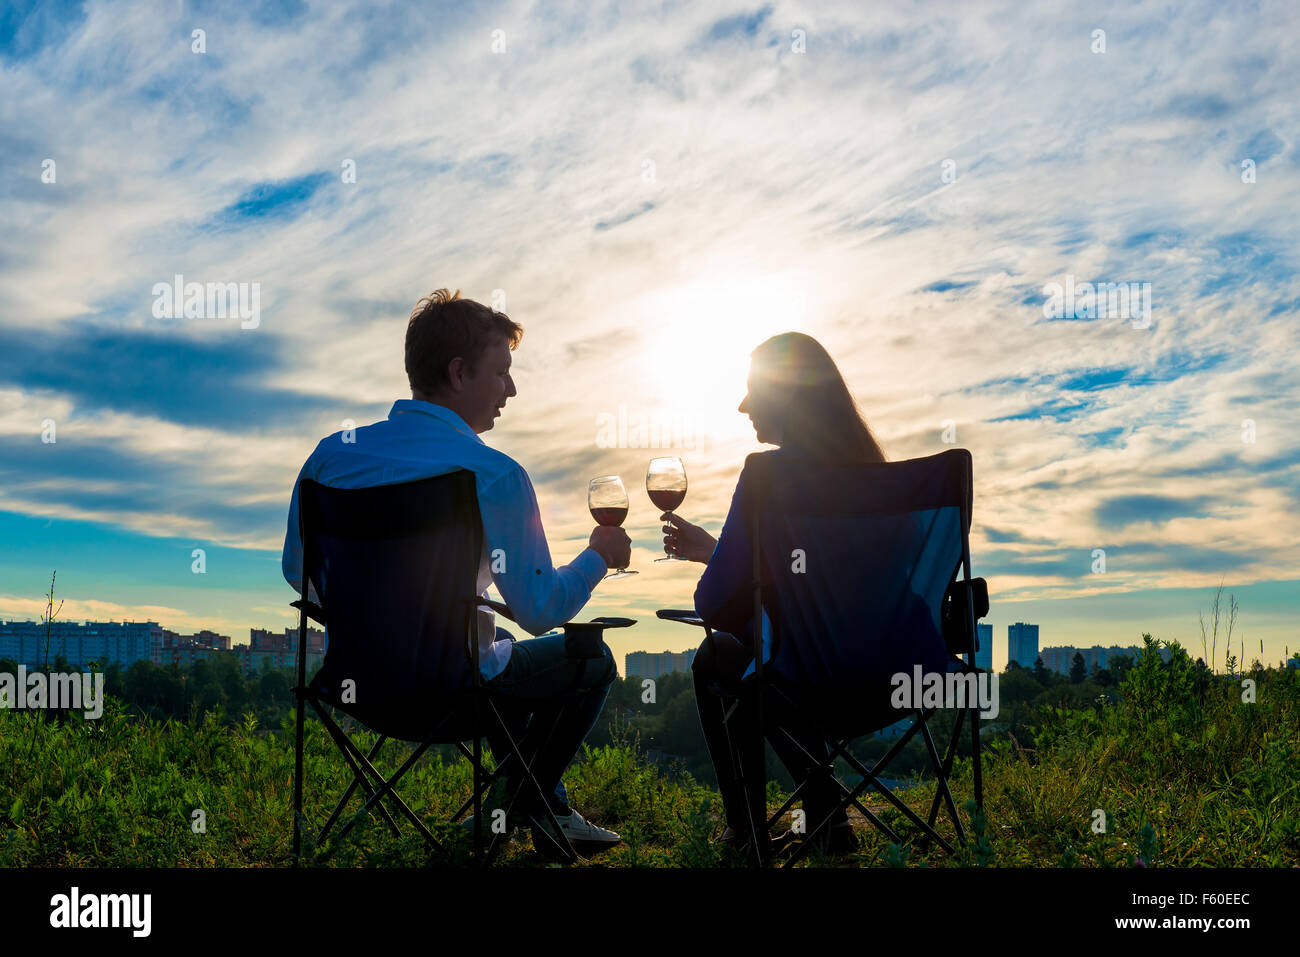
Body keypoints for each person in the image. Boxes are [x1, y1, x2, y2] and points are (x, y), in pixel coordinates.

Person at [281, 288, 629, 852]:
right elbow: (542, 610)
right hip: (452, 694)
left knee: (497, 644)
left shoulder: (330, 458)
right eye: (502, 373)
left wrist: (387, 610)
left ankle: (547, 810)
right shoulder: (492, 474)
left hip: (358, 689)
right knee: (589, 657)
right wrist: (599, 558)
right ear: (460, 373)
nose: (511, 390)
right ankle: (525, 807)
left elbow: (300, 573)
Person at [661, 332, 946, 856]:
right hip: (904, 677)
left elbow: (712, 603)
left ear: (790, 392)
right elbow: (837, 581)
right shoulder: (879, 479)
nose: (743, 405)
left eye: (752, 390)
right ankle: (827, 820)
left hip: (810, 686)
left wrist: (725, 565)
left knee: (720, 657)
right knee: (784, 660)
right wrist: (720, 552)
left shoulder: (768, 476)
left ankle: (749, 829)